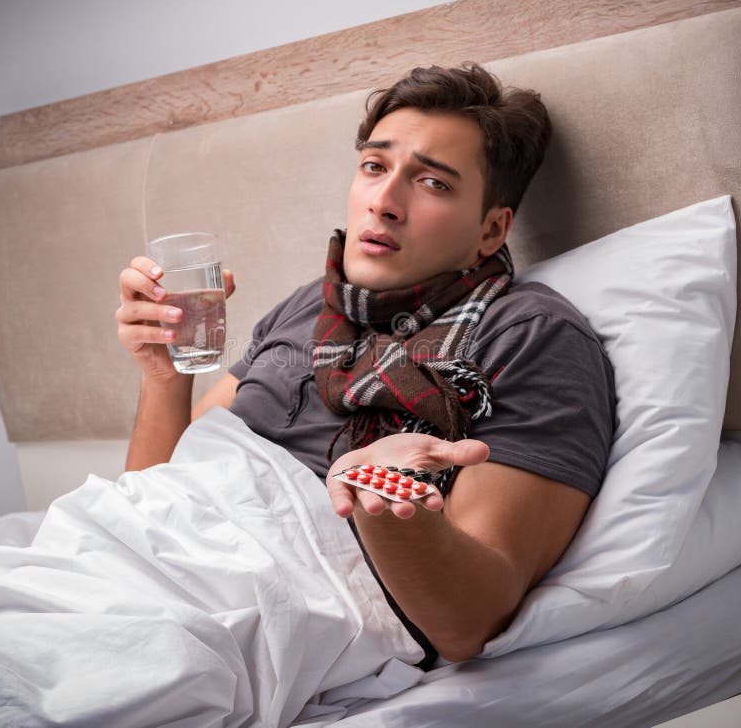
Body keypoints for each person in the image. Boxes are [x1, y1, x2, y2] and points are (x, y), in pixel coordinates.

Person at [115, 63, 616, 667]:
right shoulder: (308, 306)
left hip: (241, 614)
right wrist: (164, 378)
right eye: (374, 167)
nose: (384, 202)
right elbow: (150, 503)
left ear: (491, 230)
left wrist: (380, 495)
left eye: (433, 183)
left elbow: (468, 622)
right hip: (133, 570)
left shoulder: (530, 336)